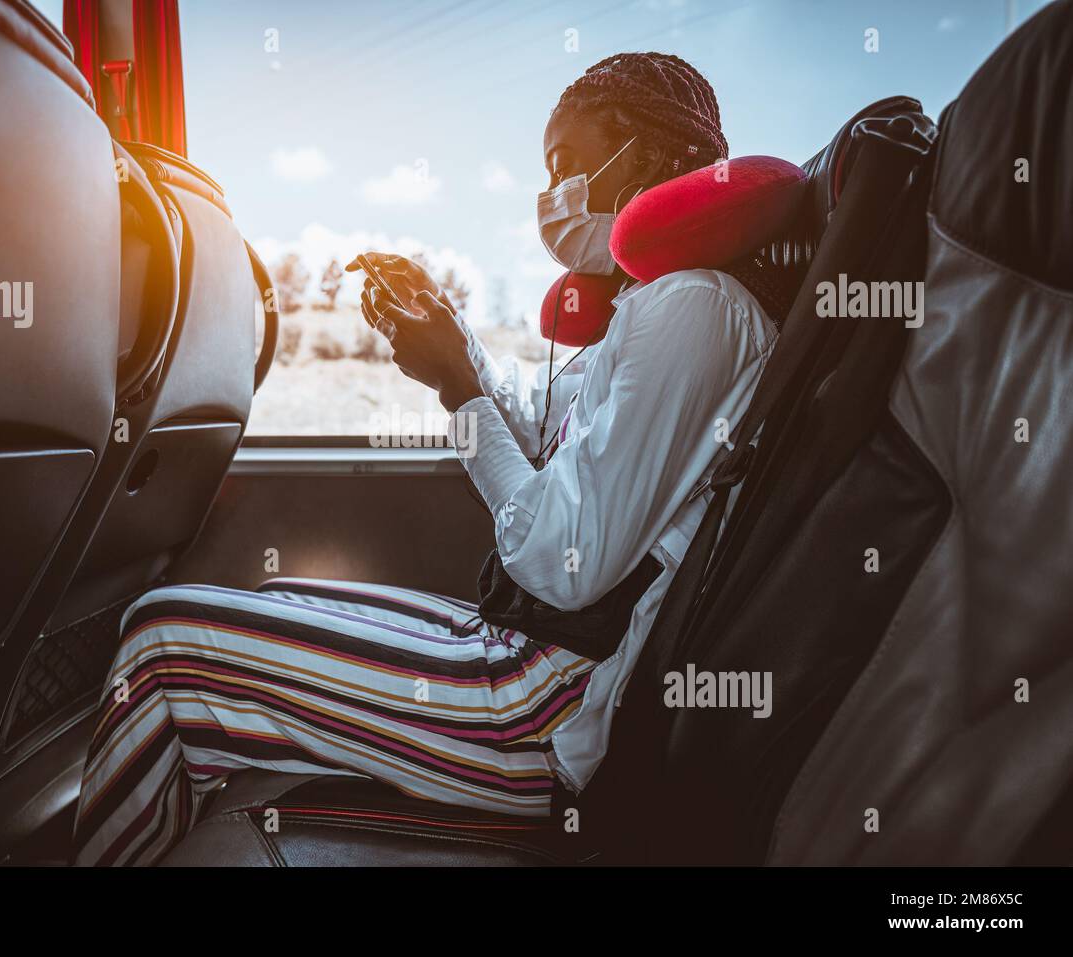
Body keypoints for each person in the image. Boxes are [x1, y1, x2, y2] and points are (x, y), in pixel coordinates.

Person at [73, 52, 778, 866]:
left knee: (158, 643)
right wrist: (451, 337)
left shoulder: (694, 308)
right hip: (531, 659)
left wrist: (455, 391)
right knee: (269, 594)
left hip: (542, 708)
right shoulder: (659, 305)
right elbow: (542, 415)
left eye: (568, 167)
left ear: (648, 159)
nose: (552, 196)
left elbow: (563, 563)